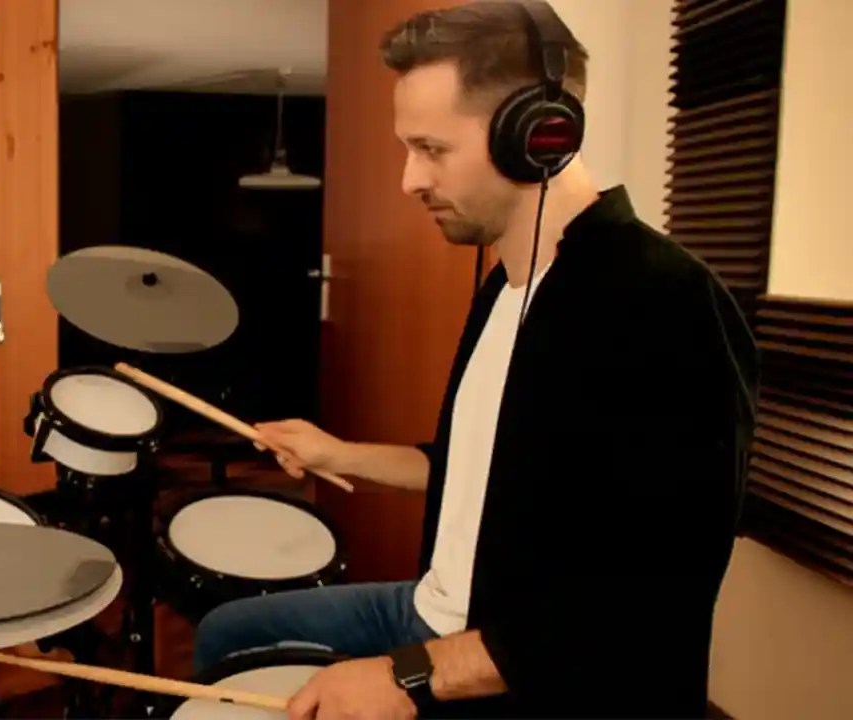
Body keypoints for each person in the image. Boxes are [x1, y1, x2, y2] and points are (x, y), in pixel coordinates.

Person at [191, 2, 759, 718]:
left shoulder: (667, 306)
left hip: (526, 661)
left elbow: (641, 609)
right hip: (434, 607)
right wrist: (341, 452)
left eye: (431, 149)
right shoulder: (504, 287)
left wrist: (406, 676)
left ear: (538, 135)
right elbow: (483, 466)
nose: (408, 180)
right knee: (224, 637)